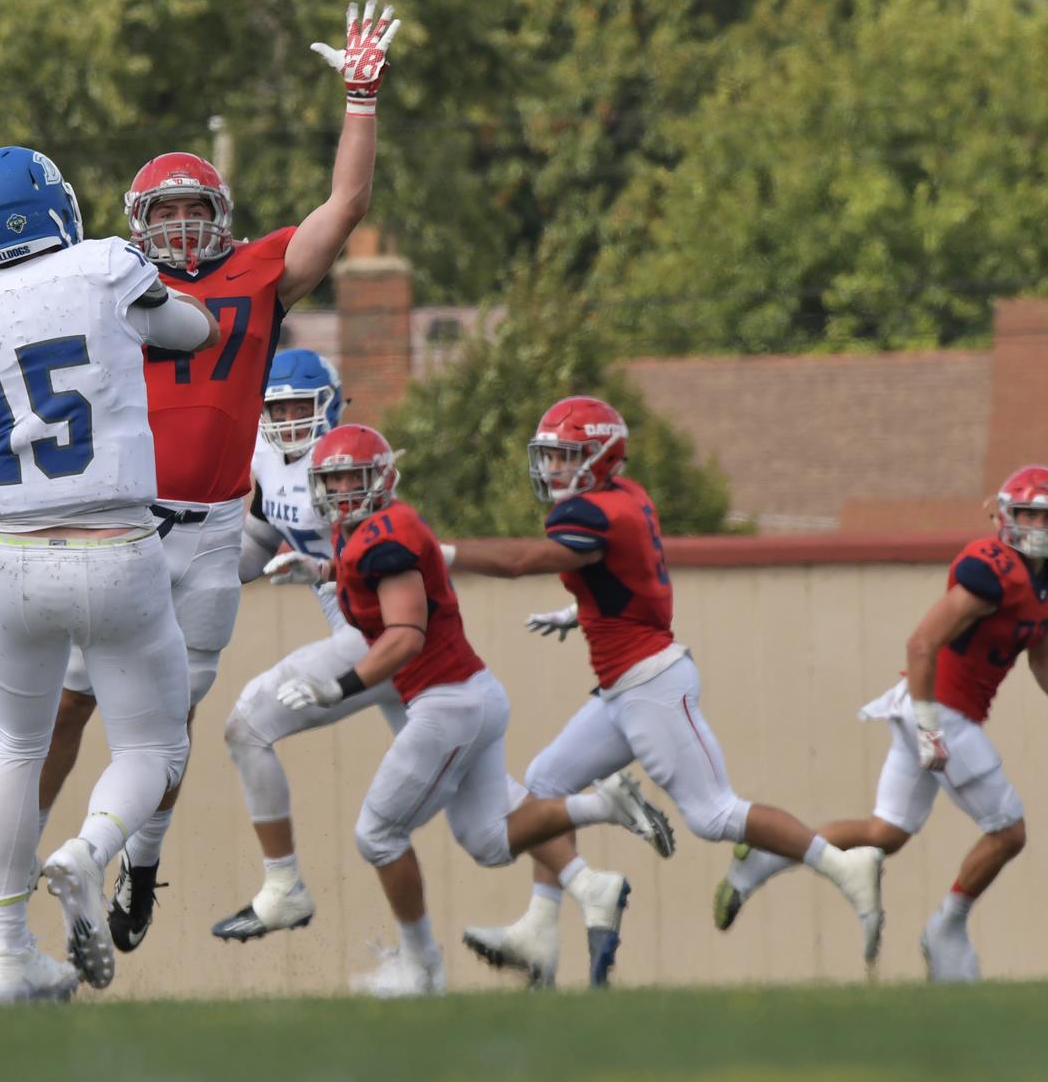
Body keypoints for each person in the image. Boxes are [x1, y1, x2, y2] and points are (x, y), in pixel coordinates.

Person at [37, 0, 405, 955]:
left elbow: (345, 207)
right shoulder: (106, 283)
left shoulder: (259, 272)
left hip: (207, 531)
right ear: (138, 225)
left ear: (221, 218)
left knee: (174, 718)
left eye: (195, 210)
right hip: (118, 520)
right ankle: (11, 873)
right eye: (165, 212)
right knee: (70, 703)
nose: (182, 226)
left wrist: (359, 100)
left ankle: (139, 861)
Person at [0, 145, 216, 1004]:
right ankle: (89, 850)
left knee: (16, 747)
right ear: (55, 208)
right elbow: (196, 330)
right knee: (154, 746)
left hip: (12, 558)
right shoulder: (104, 268)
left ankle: (8, 954)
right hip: (118, 545)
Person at [451, 396, 887, 987]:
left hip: (650, 683)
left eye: (566, 455)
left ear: (601, 457)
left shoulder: (592, 514)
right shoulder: (627, 497)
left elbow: (521, 560)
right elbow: (632, 581)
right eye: (549, 455)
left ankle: (843, 864)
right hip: (624, 683)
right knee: (547, 781)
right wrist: (584, 612)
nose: (552, 468)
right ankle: (540, 929)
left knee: (714, 813)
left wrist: (441, 554)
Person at [271, 423, 673, 997]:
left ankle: (420, 967)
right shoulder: (362, 532)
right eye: (331, 480)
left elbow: (405, 634)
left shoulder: (385, 537)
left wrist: (339, 687)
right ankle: (602, 804)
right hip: (468, 694)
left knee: (377, 835)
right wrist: (319, 572)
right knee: (488, 841)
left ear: (382, 478)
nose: (340, 490)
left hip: (448, 703)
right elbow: (368, 576)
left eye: (351, 477)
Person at [712, 465, 1048, 981]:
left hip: (934, 710)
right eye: (1031, 514)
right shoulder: (992, 573)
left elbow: (1040, 648)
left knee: (885, 833)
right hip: (937, 709)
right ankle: (946, 928)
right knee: (1008, 832)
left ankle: (763, 861)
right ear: (1007, 515)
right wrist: (928, 725)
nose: (1041, 527)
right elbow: (921, 643)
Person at [209, 349, 408, 942]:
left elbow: (384, 552)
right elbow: (260, 540)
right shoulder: (267, 458)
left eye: (301, 407)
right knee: (482, 820)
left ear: (330, 404)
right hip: (360, 635)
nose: (290, 420)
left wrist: (322, 570)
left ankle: (284, 887)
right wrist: (202, 574)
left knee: (247, 727)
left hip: (380, 635)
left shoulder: (347, 464)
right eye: (280, 409)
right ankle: (586, 878)